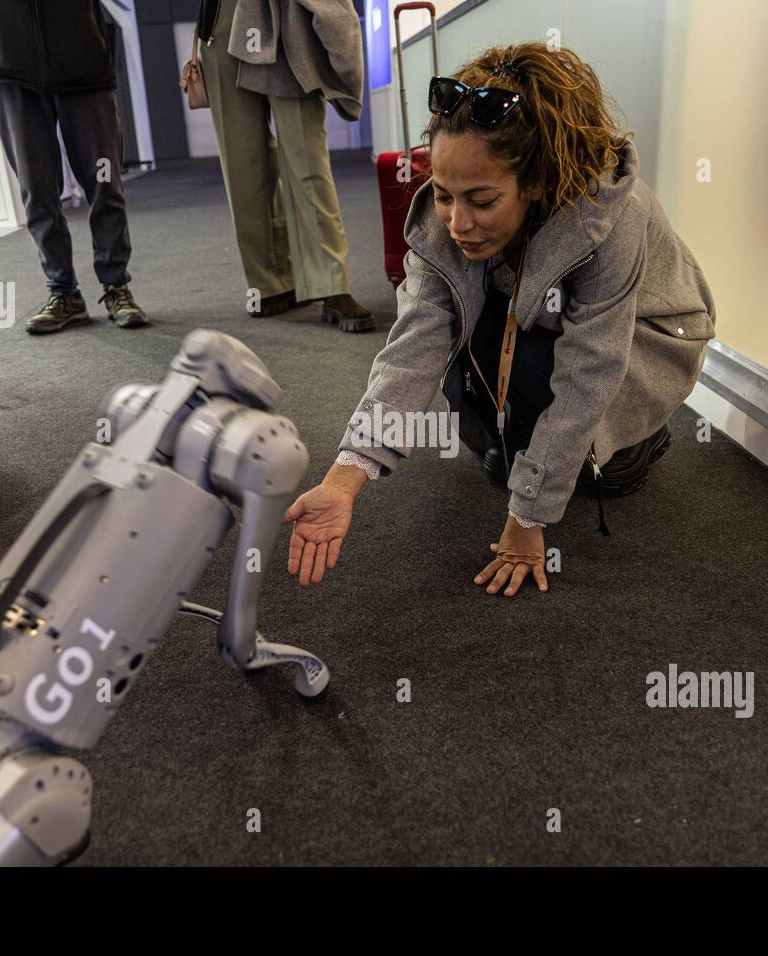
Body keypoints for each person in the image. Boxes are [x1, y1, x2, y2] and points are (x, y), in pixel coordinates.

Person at [282, 43, 717, 597]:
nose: (457, 222)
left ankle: (636, 440)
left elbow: (591, 373)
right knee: (459, 335)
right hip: (536, 317)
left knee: (561, 413)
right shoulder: (448, 220)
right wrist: (346, 477)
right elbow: (413, 346)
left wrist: (527, 520)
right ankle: (527, 445)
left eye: (482, 201)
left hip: (646, 340)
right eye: (442, 195)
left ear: (534, 182)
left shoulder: (613, 217)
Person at [0, 0, 149, 335]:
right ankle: (63, 293)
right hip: (8, 66)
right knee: (37, 191)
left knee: (104, 183)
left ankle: (116, 286)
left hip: (83, 62)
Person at [198, 0, 374, 332]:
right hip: (221, 22)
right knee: (242, 165)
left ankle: (331, 283)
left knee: (307, 160)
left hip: (284, 18)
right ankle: (269, 282)